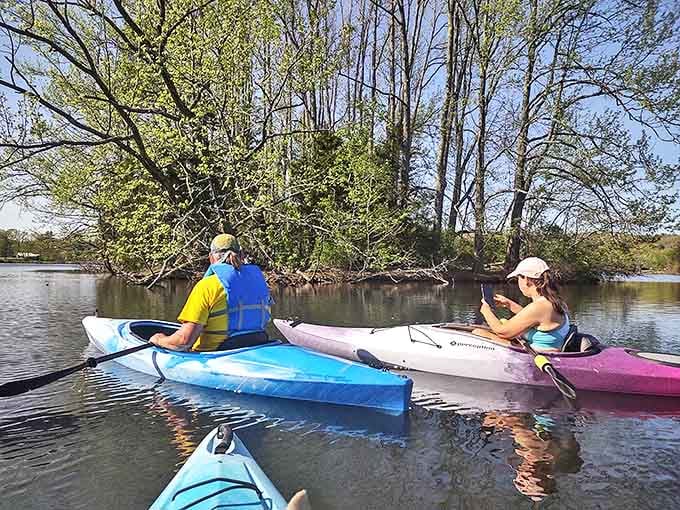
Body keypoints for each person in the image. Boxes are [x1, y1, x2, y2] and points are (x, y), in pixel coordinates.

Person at [150, 233, 272, 351]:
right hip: (257, 345)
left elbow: (183, 341)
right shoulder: (259, 282)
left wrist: (159, 340)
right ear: (241, 255)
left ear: (211, 257)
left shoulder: (207, 286)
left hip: (217, 355)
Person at [475, 257, 570, 352]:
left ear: (526, 280)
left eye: (518, 278)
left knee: (477, 333)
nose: (518, 282)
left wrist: (486, 311)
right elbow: (534, 318)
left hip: (540, 355)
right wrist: (509, 304)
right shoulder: (555, 301)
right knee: (504, 321)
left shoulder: (539, 307)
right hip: (544, 349)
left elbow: (502, 332)